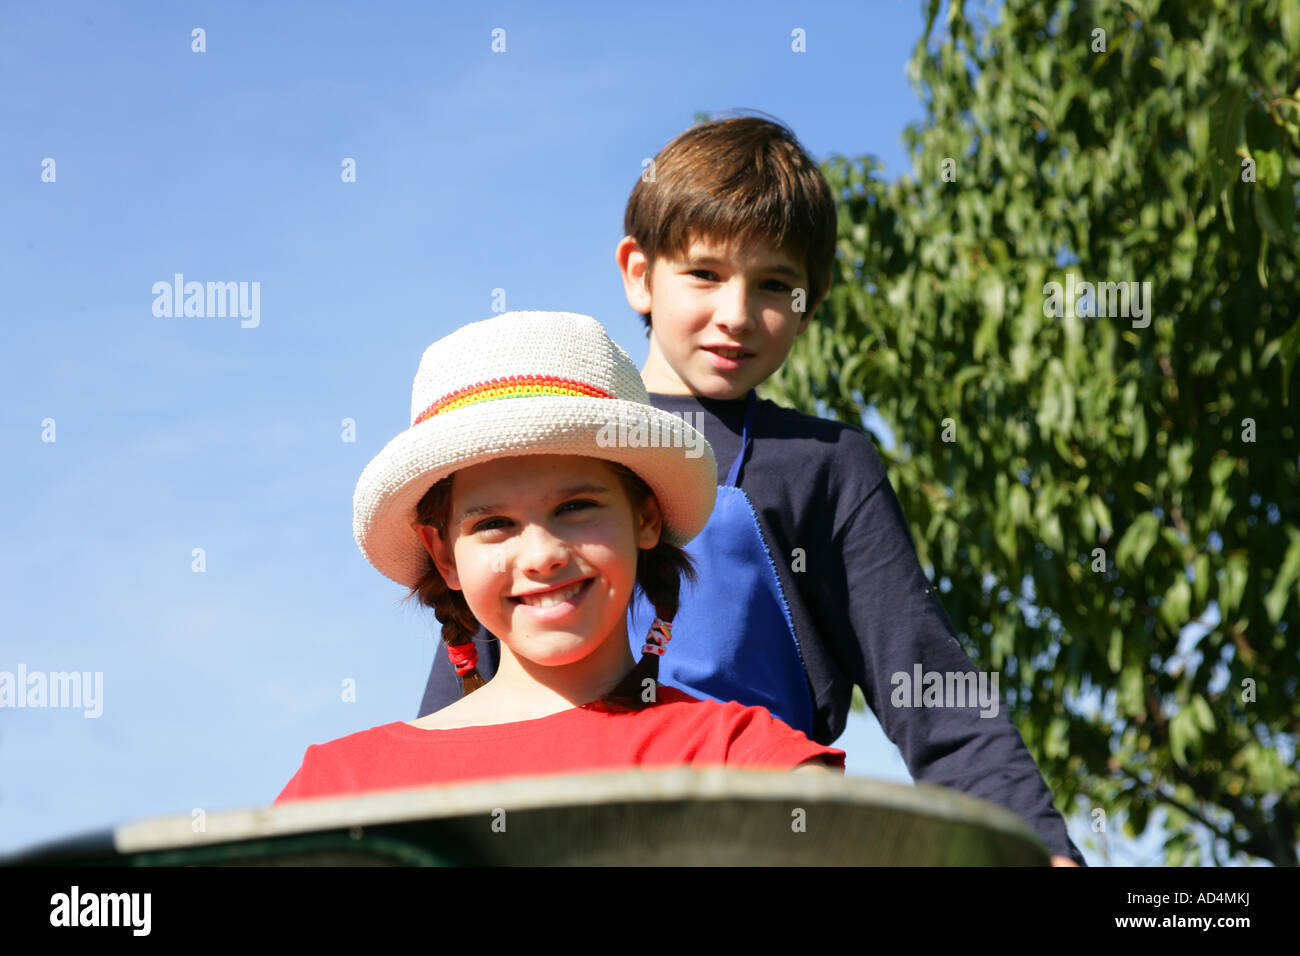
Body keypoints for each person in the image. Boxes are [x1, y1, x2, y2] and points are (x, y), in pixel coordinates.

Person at [416, 113, 1085, 866]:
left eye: (774, 284)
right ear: (639, 274)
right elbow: (459, 700)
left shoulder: (823, 465)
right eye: (704, 274)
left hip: (755, 835)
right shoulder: (552, 440)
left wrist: (1042, 850)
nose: (736, 315)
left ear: (814, 296)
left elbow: (931, 692)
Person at [275, 311, 844, 804]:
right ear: (443, 554)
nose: (542, 555)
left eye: (575, 507)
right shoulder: (338, 791)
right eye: (493, 523)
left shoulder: (746, 764)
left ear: (645, 517)